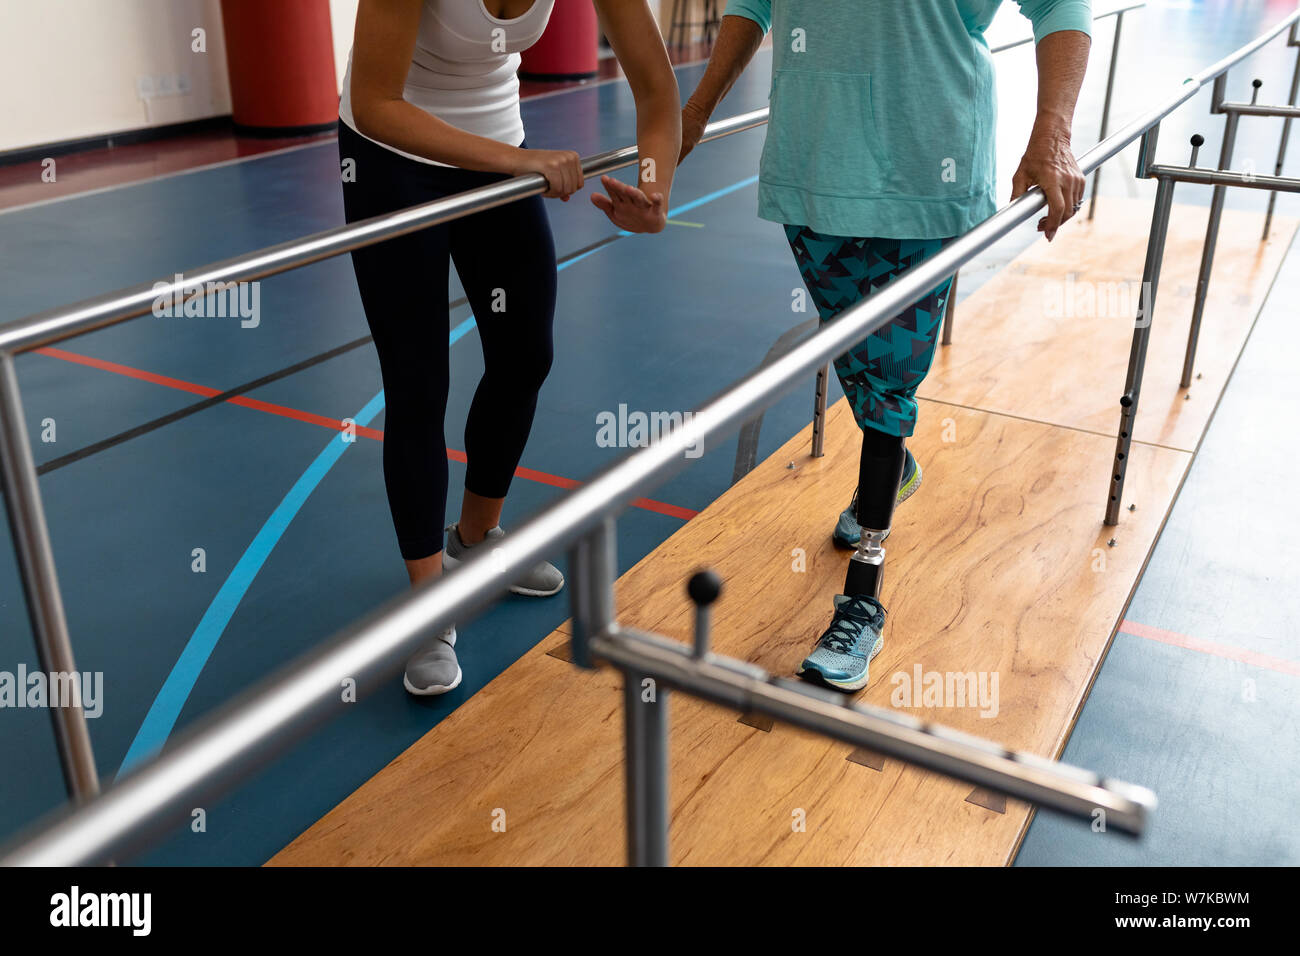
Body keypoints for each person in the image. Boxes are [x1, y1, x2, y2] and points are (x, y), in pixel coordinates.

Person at [679, 0, 1091, 691]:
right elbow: (754, 4)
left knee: (890, 383)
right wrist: (694, 110)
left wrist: (1052, 132)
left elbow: (1061, 7)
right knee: (863, 367)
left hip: (928, 175)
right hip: (809, 171)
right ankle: (894, 470)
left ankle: (863, 599)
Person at [340, 0, 681, 695]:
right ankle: (426, 608)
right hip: (391, 159)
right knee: (418, 380)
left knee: (525, 352)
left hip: (495, 141)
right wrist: (517, 161)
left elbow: (655, 87)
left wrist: (653, 188)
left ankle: (475, 537)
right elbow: (375, 101)